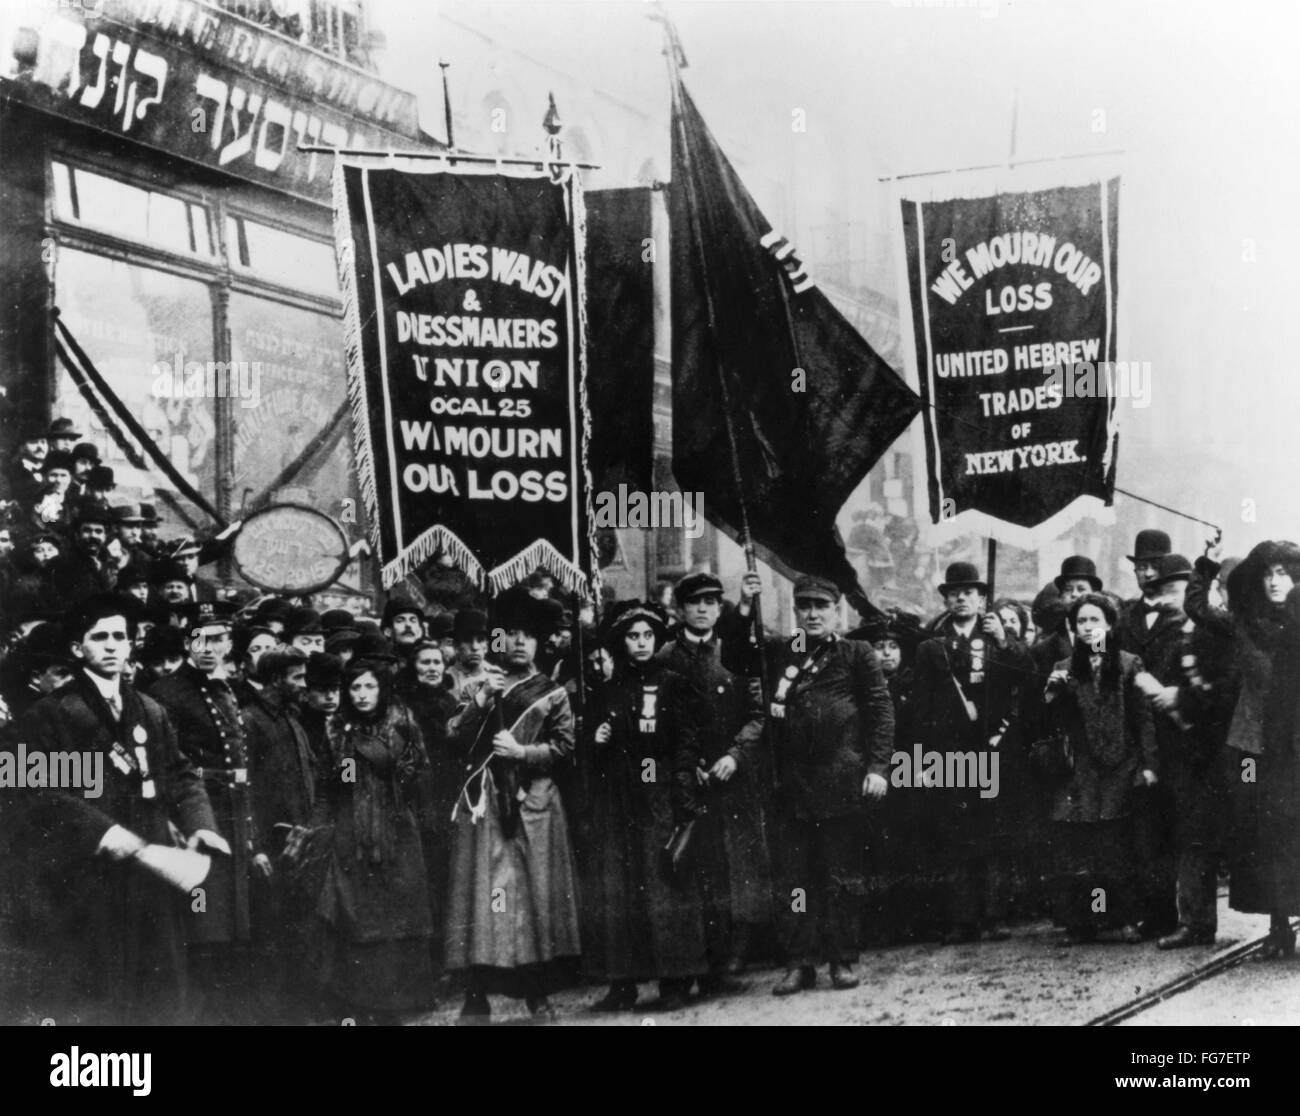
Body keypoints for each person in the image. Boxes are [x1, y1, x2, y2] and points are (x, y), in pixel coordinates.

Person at [13, 593, 219, 1024]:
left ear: (130, 646)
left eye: (120, 637)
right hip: (89, 876)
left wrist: (199, 822)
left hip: (153, 872)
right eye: (100, 636)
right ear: (77, 648)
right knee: (97, 995)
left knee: (160, 990)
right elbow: (35, 795)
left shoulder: (150, 709)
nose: (111, 645)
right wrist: (102, 832)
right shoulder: (49, 715)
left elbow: (180, 774)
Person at [728, 571, 893, 995]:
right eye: (806, 606)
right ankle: (799, 963)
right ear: (796, 610)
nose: (813, 614)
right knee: (795, 882)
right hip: (791, 786)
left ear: (836, 611)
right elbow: (735, 657)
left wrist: (878, 767)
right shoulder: (788, 650)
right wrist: (745, 606)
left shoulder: (856, 653)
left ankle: (842, 959)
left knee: (840, 877)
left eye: (822, 606)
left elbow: (879, 712)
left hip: (841, 782)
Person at [444, 587, 581, 1023]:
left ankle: (536, 992)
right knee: (488, 898)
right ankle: (477, 992)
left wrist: (523, 754)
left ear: (539, 643)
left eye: (527, 636)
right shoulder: (480, 686)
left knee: (531, 899)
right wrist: (483, 701)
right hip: (486, 801)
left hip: (534, 804)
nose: (518, 643)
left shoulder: (553, 693)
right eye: (511, 635)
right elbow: (454, 738)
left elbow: (565, 749)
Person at [583, 600, 708, 1012]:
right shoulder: (606, 688)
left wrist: (682, 791)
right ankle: (622, 982)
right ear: (622, 641)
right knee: (618, 887)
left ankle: (676, 977)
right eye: (633, 636)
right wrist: (597, 741)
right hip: (617, 798)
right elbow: (590, 752)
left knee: (663, 883)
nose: (640, 643)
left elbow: (687, 740)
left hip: (657, 790)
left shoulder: (672, 682)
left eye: (647, 636)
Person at [150, 600, 268, 1023]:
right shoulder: (166, 694)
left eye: (217, 638)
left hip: (234, 814)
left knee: (234, 920)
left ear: (229, 643)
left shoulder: (225, 687)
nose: (207, 647)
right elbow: (171, 768)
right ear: (186, 643)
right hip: (201, 815)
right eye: (198, 638)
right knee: (203, 919)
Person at [656, 571, 771, 989]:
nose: (703, 609)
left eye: (711, 602)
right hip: (688, 779)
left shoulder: (736, 649)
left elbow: (759, 714)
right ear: (680, 609)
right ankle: (698, 964)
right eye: (694, 602)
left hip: (734, 777)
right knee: (693, 870)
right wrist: (687, 766)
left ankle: (730, 959)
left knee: (736, 868)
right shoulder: (665, 656)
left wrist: (735, 755)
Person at [1185, 539, 1300, 956]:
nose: (1275, 581)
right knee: (1262, 830)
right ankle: (1278, 927)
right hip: (1252, 749)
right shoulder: (1244, 621)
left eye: (1284, 573)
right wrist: (1207, 563)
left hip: (1295, 745)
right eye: (1268, 573)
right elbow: (1197, 609)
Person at [305, 659, 435, 1022]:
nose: (362, 695)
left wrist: (396, 777)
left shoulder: (402, 722)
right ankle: (361, 1008)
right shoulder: (338, 730)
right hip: (353, 837)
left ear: (382, 688)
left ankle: (399, 1008)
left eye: (369, 686)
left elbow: (420, 773)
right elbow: (333, 787)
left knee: (401, 922)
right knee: (358, 922)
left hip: (398, 834)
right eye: (355, 688)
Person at [910, 561, 1031, 943]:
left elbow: (1026, 678)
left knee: (992, 833)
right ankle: (961, 919)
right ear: (946, 599)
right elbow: (921, 706)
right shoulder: (932, 646)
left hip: (992, 749)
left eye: (970, 593)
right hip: (950, 755)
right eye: (955, 593)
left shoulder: (996, 637)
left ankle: (993, 916)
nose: (962, 598)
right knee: (955, 835)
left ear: (981, 599)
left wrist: (1004, 642)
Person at [1039, 593, 1156, 944]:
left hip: (1120, 767)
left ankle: (1119, 919)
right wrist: (1050, 695)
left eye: (1094, 621)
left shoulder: (1128, 663)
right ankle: (1084, 923)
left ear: (1109, 624)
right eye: (1081, 622)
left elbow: (1144, 720)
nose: (1088, 628)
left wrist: (1150, 765)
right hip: (1079, 772)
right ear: (1072, 629)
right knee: (1081, 850)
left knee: (1114, 848)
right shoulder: (1062, 669)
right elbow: (1046, 725)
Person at [1118, 552, 1194, 940]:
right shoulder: (1124, 617)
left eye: (1157, 571)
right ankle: (1155, 913)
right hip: (1136, 736)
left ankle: (1191, 917)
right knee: (1145, 829)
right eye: (1142, 567)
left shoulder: (1189, 622)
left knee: (1181, 825)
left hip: (1179, 734)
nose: (1148, 575)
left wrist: (1177, 694)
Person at [243, 648, 316, 1020]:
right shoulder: (250, 722)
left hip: (301, 846)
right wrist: (254, 847)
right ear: (274, 680)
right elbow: (247, 792)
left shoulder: (293, 719)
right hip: (270, 852)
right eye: (297, 677)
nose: (304, 684)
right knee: (272, 938)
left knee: (300, 934)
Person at [401, 639, 460, 975]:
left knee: (447, 876)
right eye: (425, 662)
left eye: (437, 662)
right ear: (414, 666)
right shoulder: (405, 705)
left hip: (448, 795)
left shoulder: (451, 702)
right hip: (419, 797)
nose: (432, 668)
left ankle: (446, 957)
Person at [446, 607, 490, 702]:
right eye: (467, 640)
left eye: (480, 640)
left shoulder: (497, 675)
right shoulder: (446, 679)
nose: (474, 647)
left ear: (486, 646)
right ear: (456, 646)